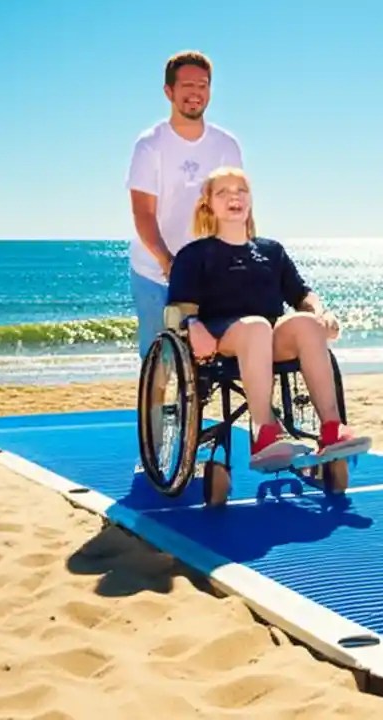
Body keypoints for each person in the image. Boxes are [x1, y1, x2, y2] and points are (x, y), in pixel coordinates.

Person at [168, 167, 365, 472]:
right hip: (225, 338)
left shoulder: (271, 251)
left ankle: (331, 429)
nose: (234, 197)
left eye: (241, 191)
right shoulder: (194, 254)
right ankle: (264, 433)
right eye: (223, 192)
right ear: (208, 202)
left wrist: (320, 312)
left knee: (305, 323)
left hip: (270, 338)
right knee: (256, 326)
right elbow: (179, 308)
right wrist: (193, 326)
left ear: (250, 200)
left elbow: (302, 294)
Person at [126, 50, 244, 358]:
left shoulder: (226, 145)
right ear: (169, 91)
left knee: (212, 356)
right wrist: (167, 261)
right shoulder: (150, 144)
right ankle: (155, 407)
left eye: (202, 85)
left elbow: (234, 209)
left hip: (207, 273)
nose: (195, 93)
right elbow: (143, 213)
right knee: (160, 362)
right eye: (187, 85)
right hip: (154, 270)